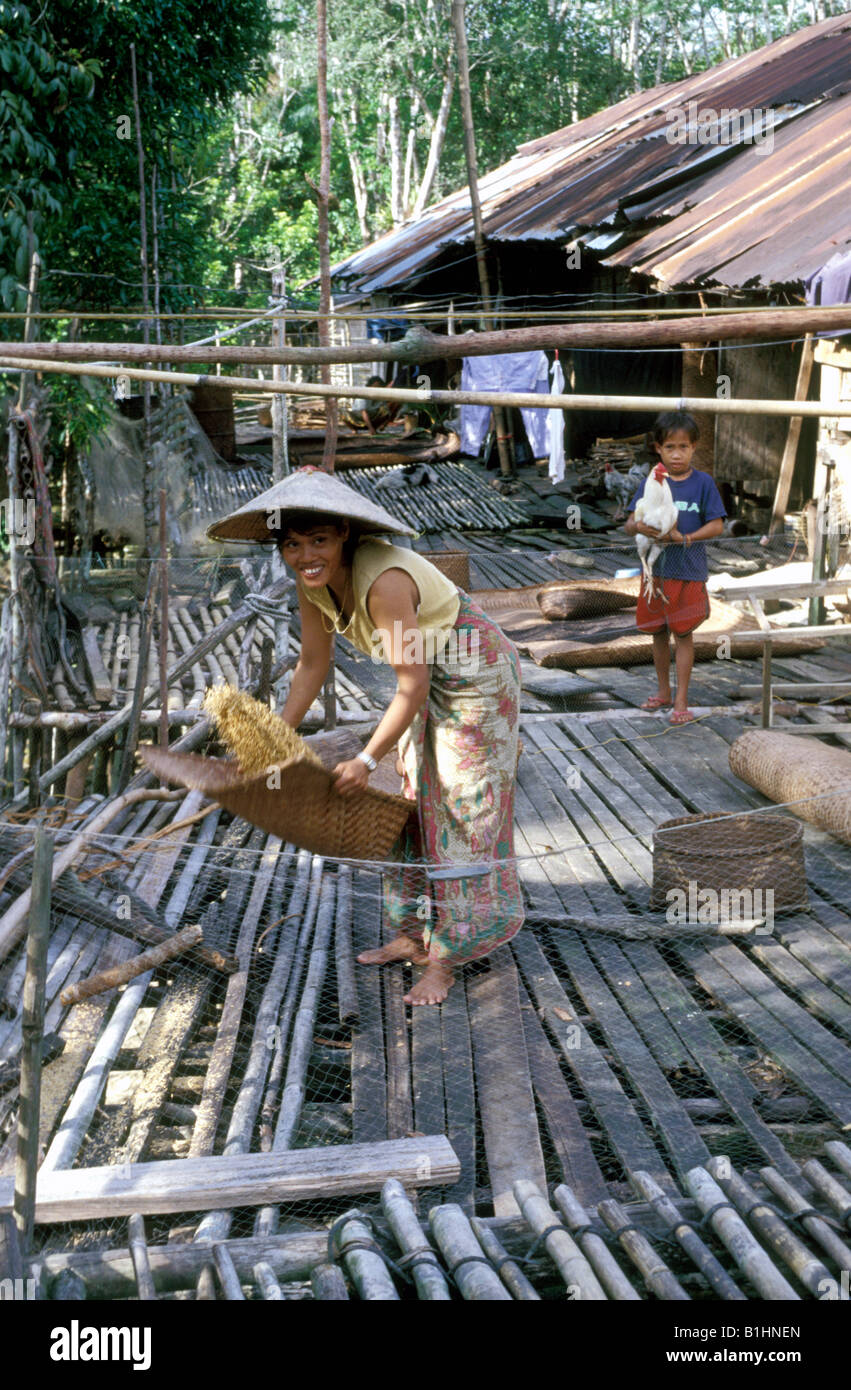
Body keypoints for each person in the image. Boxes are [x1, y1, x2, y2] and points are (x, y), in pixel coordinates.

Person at [207, 467, 524, 1006]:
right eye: (292, 544)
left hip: (475, 672)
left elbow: (414, 682)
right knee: (408, 796)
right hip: (425, 675)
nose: (306, 554)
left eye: (319, 541)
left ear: (345, 536)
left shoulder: (385, 583)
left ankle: (448, 957)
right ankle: (412, 933)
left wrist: (365, 756)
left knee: (463, 801)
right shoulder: (313, 580)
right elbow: (311, 663)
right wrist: (273, 744)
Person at [623, 411, 726, 724]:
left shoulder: (703, 483)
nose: (677, 454)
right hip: (656, 573)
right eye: (670, 447)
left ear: (694, 447)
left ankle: (680, 699)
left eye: (683, 446)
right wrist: (640, 526)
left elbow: (718, 525)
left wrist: (685, 537)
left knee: (683, 635)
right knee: (657, 633)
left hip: (689, 571)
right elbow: (628, 524)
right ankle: (663, 691)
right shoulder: (651, 482)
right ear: (658, 448)